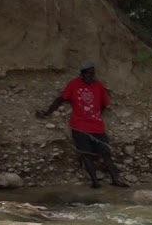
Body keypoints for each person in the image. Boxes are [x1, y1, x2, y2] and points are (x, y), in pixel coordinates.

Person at [38, 60, 129, 188]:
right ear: (82, 74)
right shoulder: (74, 84)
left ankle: (115, 179)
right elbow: (61, 99)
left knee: (106, 153)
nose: (91, 77)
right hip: (80, 127)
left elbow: (104, 104)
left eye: (92, 74)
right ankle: (95, 182)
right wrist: (48, 112)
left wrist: (95, 115)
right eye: (88, 74)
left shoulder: (99, 86)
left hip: (97, 127)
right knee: (86, 155)